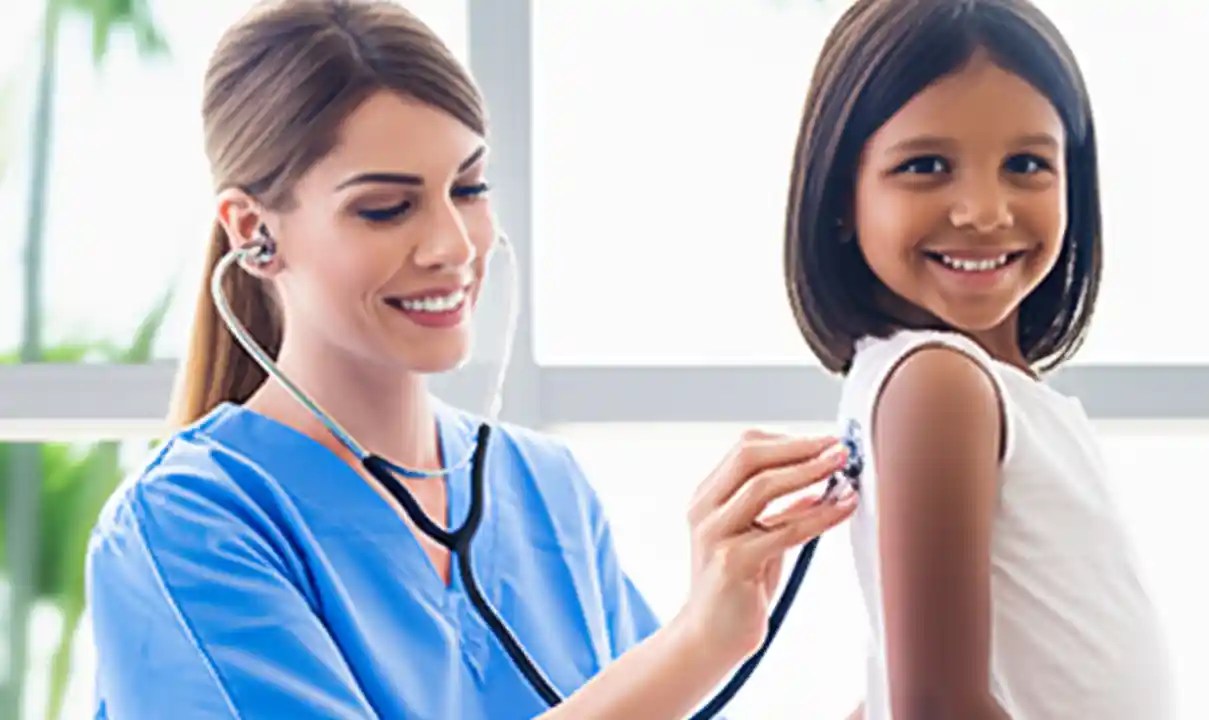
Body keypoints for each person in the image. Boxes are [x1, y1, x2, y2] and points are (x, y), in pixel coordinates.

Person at [84, 1, 859, 718]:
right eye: (386, 208)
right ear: (253, 229)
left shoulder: (547, 492)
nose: (452, 246)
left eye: (469, 188)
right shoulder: (188, 525)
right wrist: (695, 646)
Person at [784, 0, 1174, 718]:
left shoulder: (968, 386)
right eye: (926, 166)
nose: (985, 211)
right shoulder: (939, 385)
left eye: (1026, 164)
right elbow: (935, 706)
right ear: (843, 194)